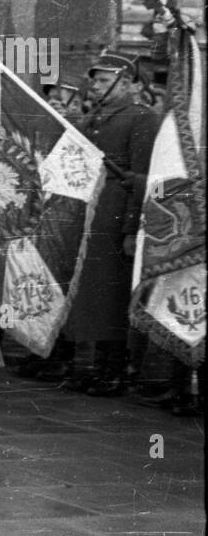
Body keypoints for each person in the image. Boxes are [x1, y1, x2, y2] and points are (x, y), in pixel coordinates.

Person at [58, 51, 160, 397]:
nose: (97, 87)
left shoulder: (142, 118)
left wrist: (132, 228)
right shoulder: (93, 118)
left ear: (128, 83)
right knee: (92, 294)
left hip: (116, 213)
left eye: (105, 80)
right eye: (96, 80)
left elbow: (142, 177)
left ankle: (113, 368)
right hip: (91, 213)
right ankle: (93, 366)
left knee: (112, 294)